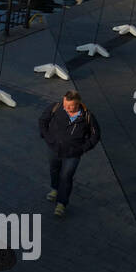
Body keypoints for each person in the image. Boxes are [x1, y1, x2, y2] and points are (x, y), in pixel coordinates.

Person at [38, 89, 100, 217]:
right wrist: (48, 138)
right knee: (54, 170)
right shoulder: (57, 107)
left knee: (66, 177)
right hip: (54, 148)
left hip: (73, 154)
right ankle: (55, 188)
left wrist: (82, 149)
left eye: (70, 106)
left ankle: (61, 203)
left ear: (78, 104)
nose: (67, 108)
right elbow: (43, 120)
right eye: (65, 105)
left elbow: (95, 135)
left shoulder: (87, 116)